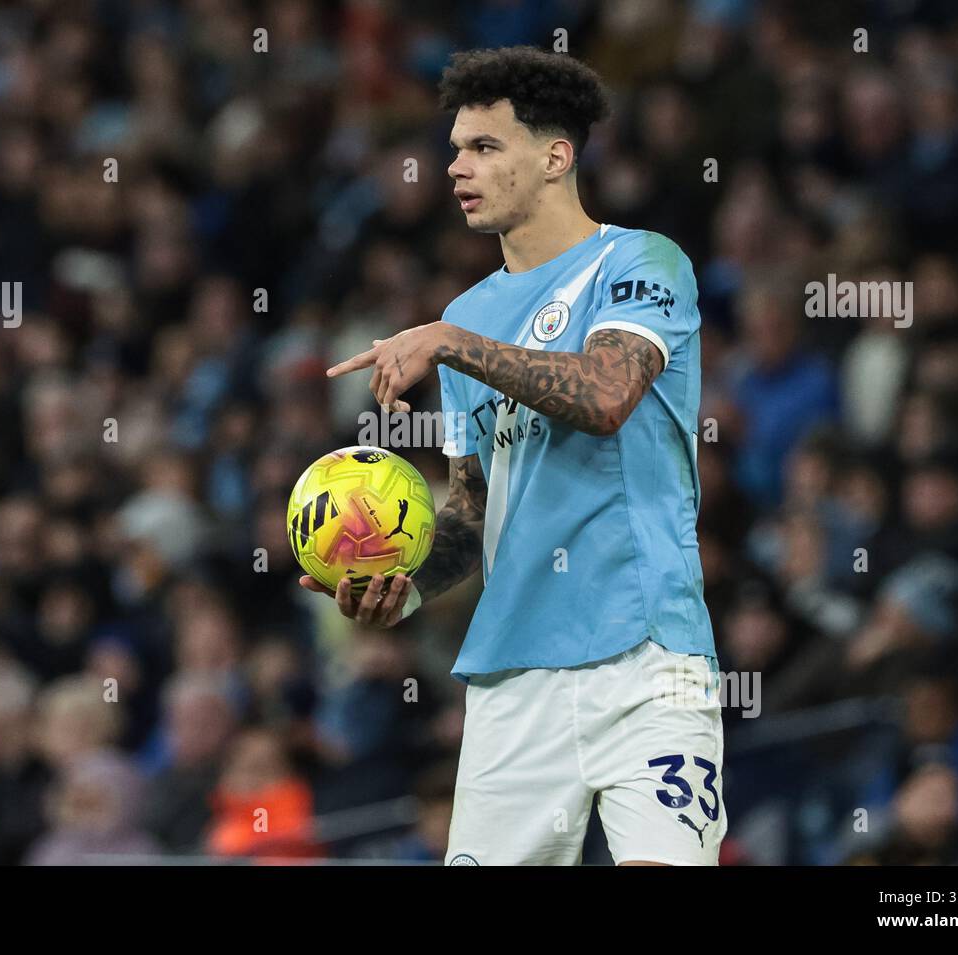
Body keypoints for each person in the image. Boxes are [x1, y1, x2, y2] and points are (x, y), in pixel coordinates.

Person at [304, 46, 724, 865]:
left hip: (649, 659)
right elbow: (472, 505)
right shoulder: (467, 313)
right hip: (512, 680)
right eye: (456, 148)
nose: (456, 167)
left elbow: (606, 397)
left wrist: (456, 344)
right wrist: (408, 586)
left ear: (556, 155)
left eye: (485, 147)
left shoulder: (639, 261)